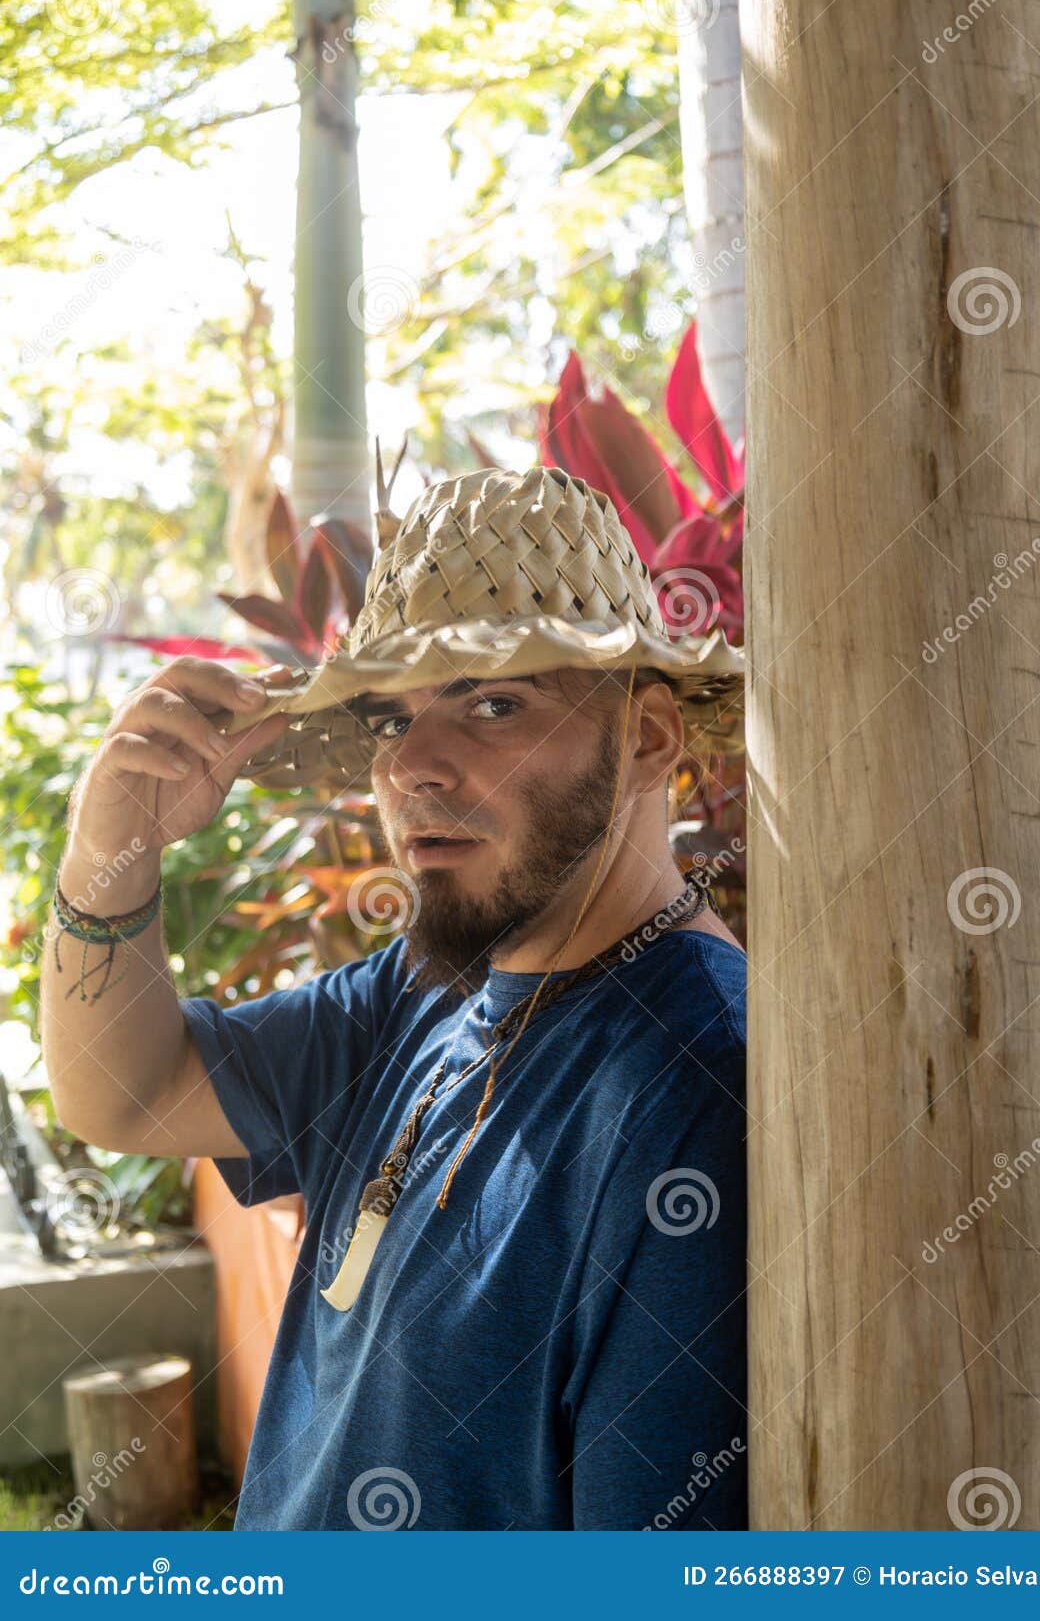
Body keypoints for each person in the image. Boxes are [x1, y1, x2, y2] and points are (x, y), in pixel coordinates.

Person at [41, 465, 748, 1531]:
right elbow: (122, 1095)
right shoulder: (411, 995)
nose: (411, 762)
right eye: (389, 718)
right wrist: (110, 852)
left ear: (647, 737)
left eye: (494, 703)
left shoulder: (696, 1086)